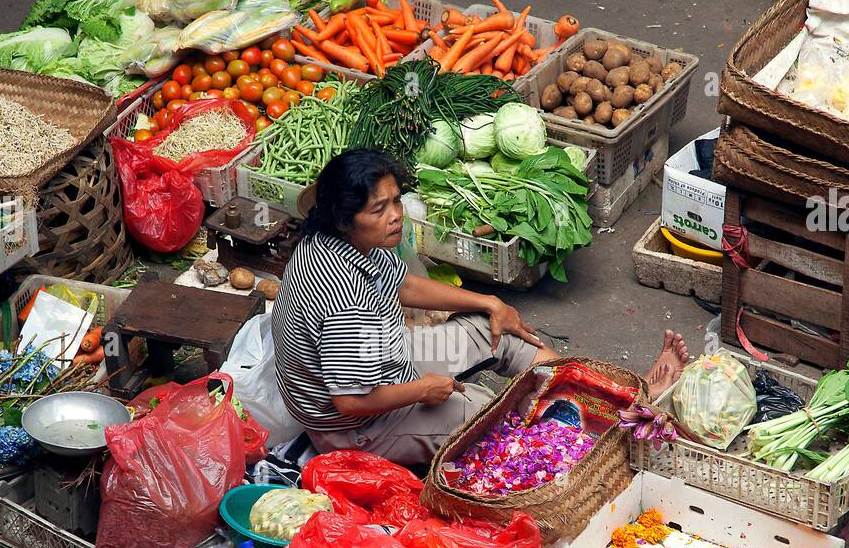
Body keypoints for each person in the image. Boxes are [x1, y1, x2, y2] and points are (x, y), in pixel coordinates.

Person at [272, 148, 689, 466]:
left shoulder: (353, 243)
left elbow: (405, 286)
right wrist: (423, 390)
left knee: (500, 334)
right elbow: (351, 402)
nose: (396, 215)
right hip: (361, 426)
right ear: (344, 220)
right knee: (495, 414)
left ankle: (614, 396)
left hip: (387, 361)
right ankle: (615, 428)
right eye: (379, 209)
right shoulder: (339, 294)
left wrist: (489, 302)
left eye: (396, 201)